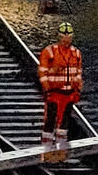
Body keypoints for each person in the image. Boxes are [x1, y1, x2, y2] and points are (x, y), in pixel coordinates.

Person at [34, 22, 86, 155]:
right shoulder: (49, 52)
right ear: (59, 37)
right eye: (64, 37)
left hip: (68, 94)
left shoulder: (76, 53)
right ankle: (46, 150)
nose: (66, 40)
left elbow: (78, 73)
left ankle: (60, 151)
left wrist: (77, 89)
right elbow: (42, 72)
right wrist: (47, 88)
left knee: (64, 123)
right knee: (50, 121)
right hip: (54, 92)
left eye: (69, 37)